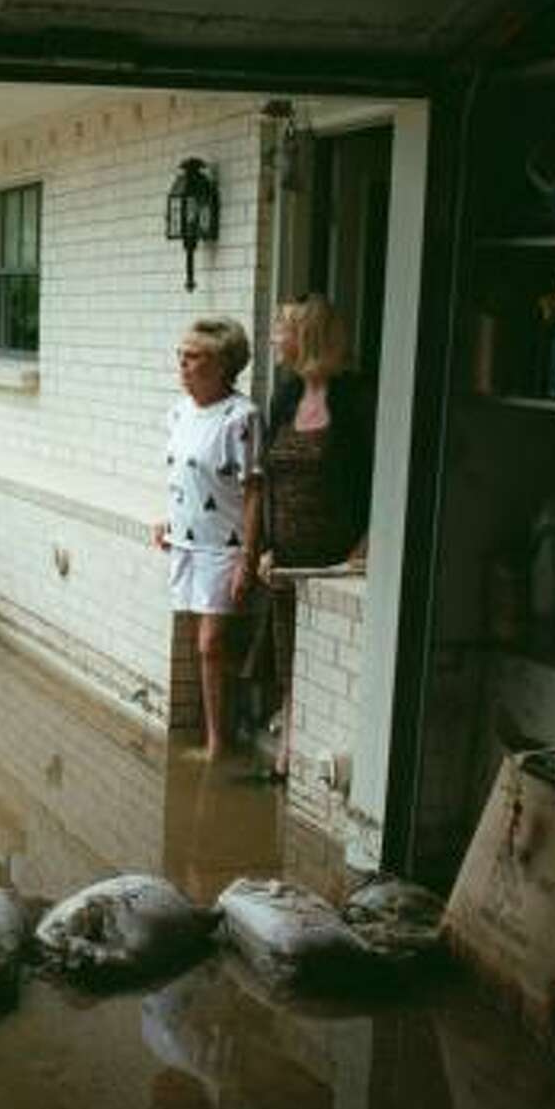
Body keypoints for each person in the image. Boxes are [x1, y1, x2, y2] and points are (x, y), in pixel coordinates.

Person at [256, 294, 375, 778]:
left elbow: (379, 479)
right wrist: (264, 546)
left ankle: (306, 758)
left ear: (306, 337)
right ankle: (289, 748)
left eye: (281, 329)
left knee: (321, 662)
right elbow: (269, 477)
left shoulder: (355, 400)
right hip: (285, 556)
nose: (273, 338)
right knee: (288, 660)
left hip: (335, 559)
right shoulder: (284, 396)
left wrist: (364, 546)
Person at [153, 318, 263, 761]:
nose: (183, 363)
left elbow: (255, 489)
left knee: (211, 644)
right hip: (186, 542)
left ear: (223, 366)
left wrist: (248, 558)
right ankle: (214, 733)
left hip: (225, 545)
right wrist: (168, 518)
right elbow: (181, 472)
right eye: (181, 354)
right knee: (203, 643)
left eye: (195, 356)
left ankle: (219, 742)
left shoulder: (242, 417)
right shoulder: (179, 411)